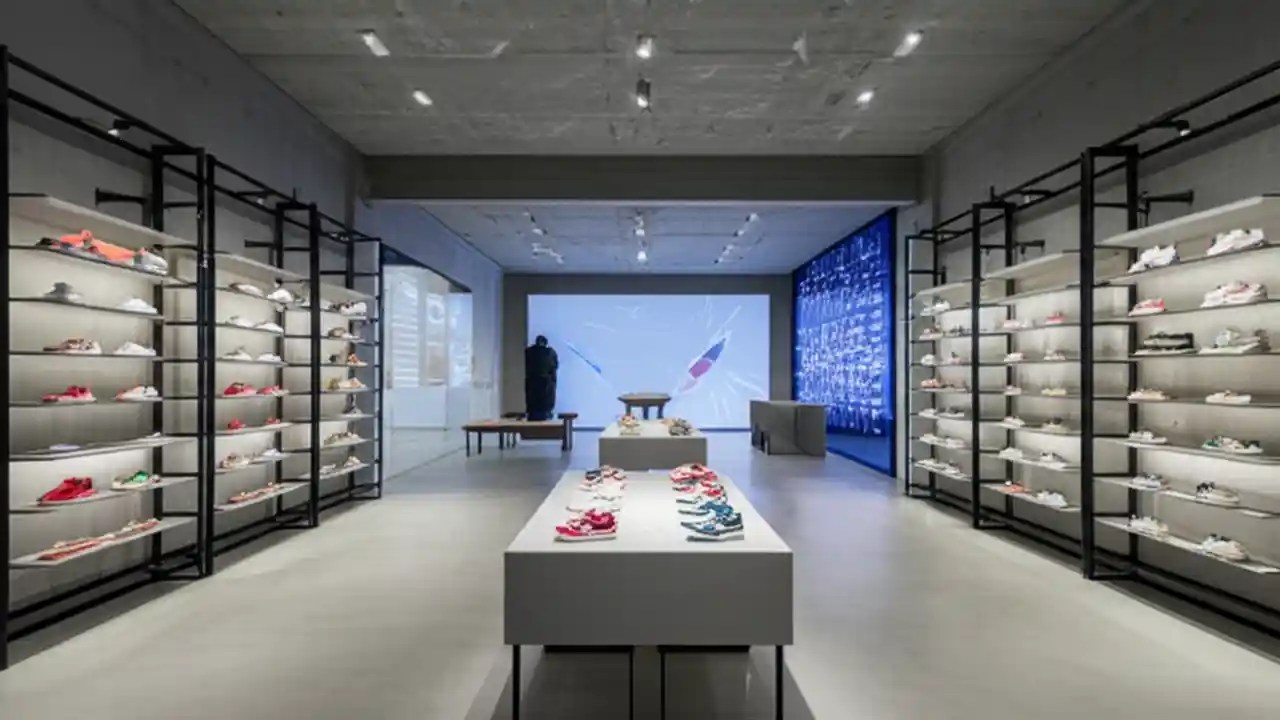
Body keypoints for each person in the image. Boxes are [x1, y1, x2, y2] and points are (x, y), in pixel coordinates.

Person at [524, 335, 559, 421]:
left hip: (533, 399)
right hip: (546, 397)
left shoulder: (529, 352)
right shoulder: (551, 353)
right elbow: (554, 369)